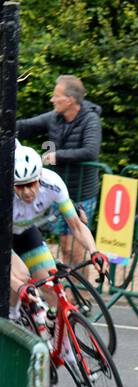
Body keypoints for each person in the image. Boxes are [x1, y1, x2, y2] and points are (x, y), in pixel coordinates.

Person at [10, 144, 107, 324]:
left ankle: (61, 344)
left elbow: (76, 226)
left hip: (26, 233)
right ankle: (12, 317)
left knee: (52, 288)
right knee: (21, 277)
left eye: (31, 184)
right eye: (20, 187)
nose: (27, 192)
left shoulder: (52, 183)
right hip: (4, 239)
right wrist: (19, 286)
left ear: (39, 177)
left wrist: (95, 252)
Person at [17, 75, 103, 266]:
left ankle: (82, 293)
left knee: (75, 248)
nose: (52, 100)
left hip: (81, 191)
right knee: (65, 246)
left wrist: (57, 156)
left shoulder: (90, 120)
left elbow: (91, 151)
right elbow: (24, 127)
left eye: (56, 96)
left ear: (70, 100)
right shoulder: (55, 117)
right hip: (59, 190)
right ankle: (70, 293)